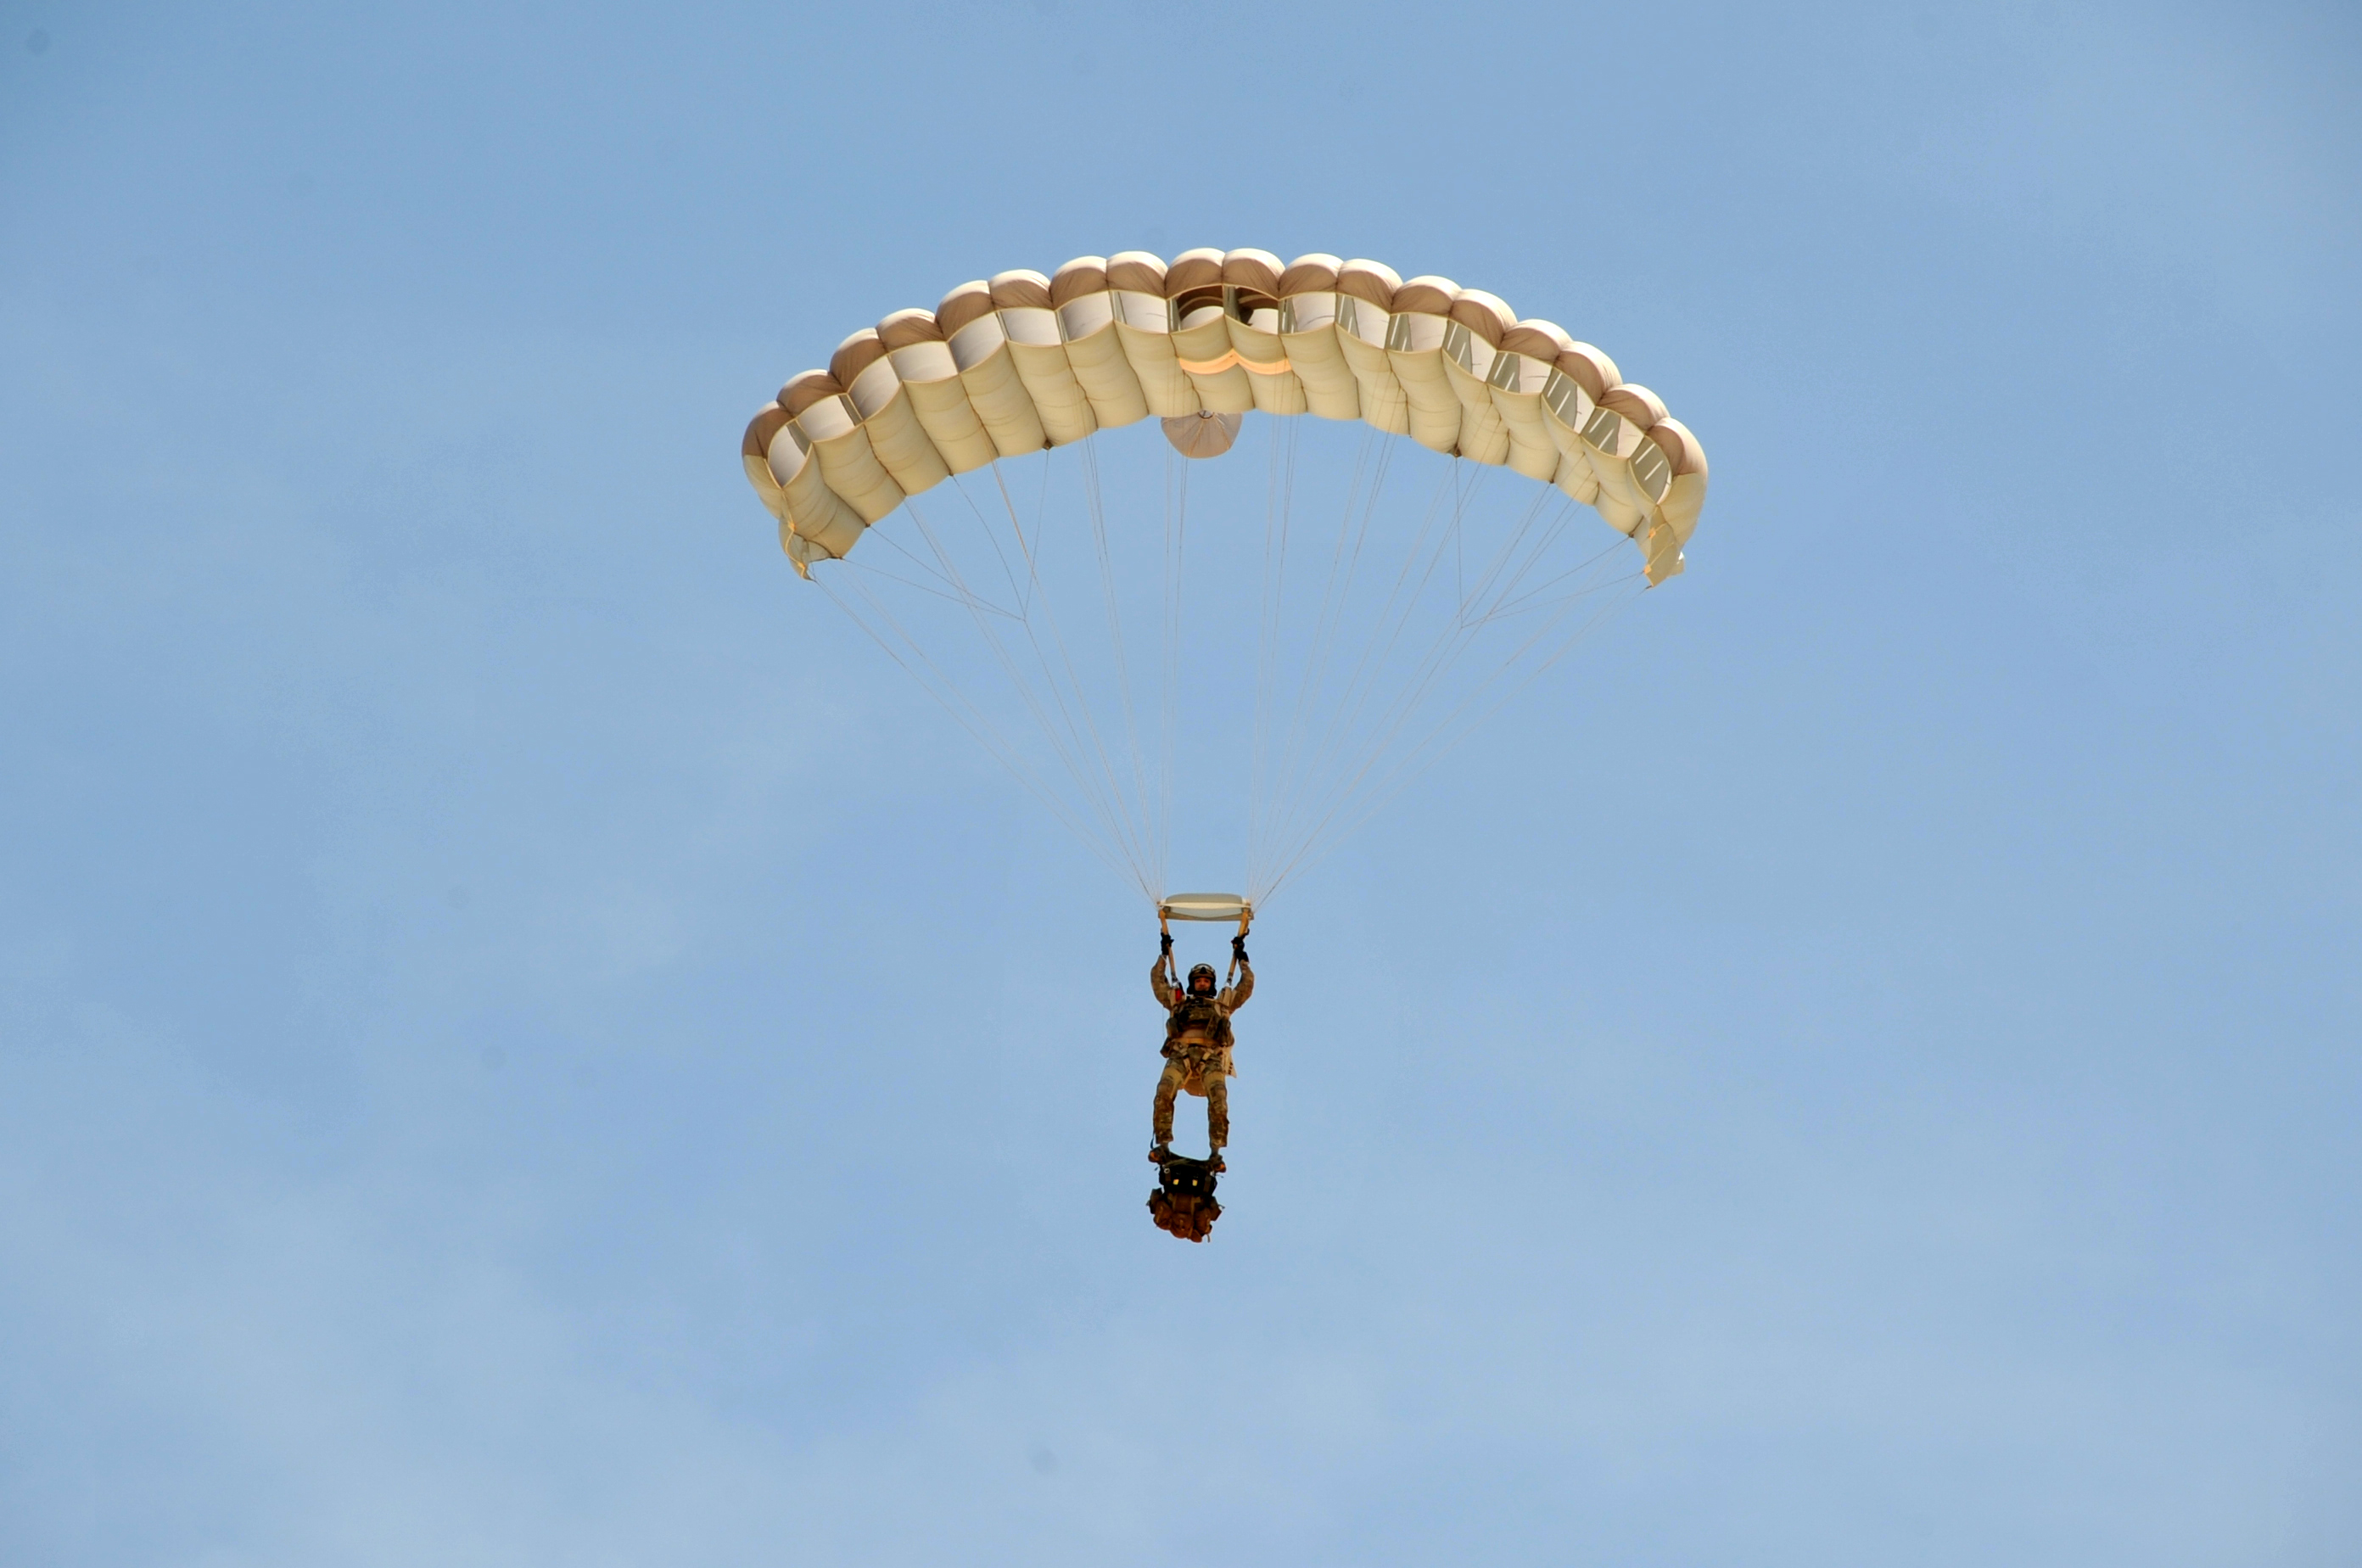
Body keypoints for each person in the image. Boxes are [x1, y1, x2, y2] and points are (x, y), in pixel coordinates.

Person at [1150, 923, 1252, 1171]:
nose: (1203, 984)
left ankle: (1216, 1152)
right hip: (1181, 1055)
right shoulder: (1179, 1002)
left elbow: (1246, 986)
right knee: (1164, 1092)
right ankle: (1162, 1145)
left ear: (1212, 984)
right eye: (1199, 980)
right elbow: (1157, 982)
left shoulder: (1223, 1004)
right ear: (1192, 983)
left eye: (1206, 981)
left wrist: (1242, 960)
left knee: (1219, 1098)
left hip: (1210, 1058)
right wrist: (1163, 955)